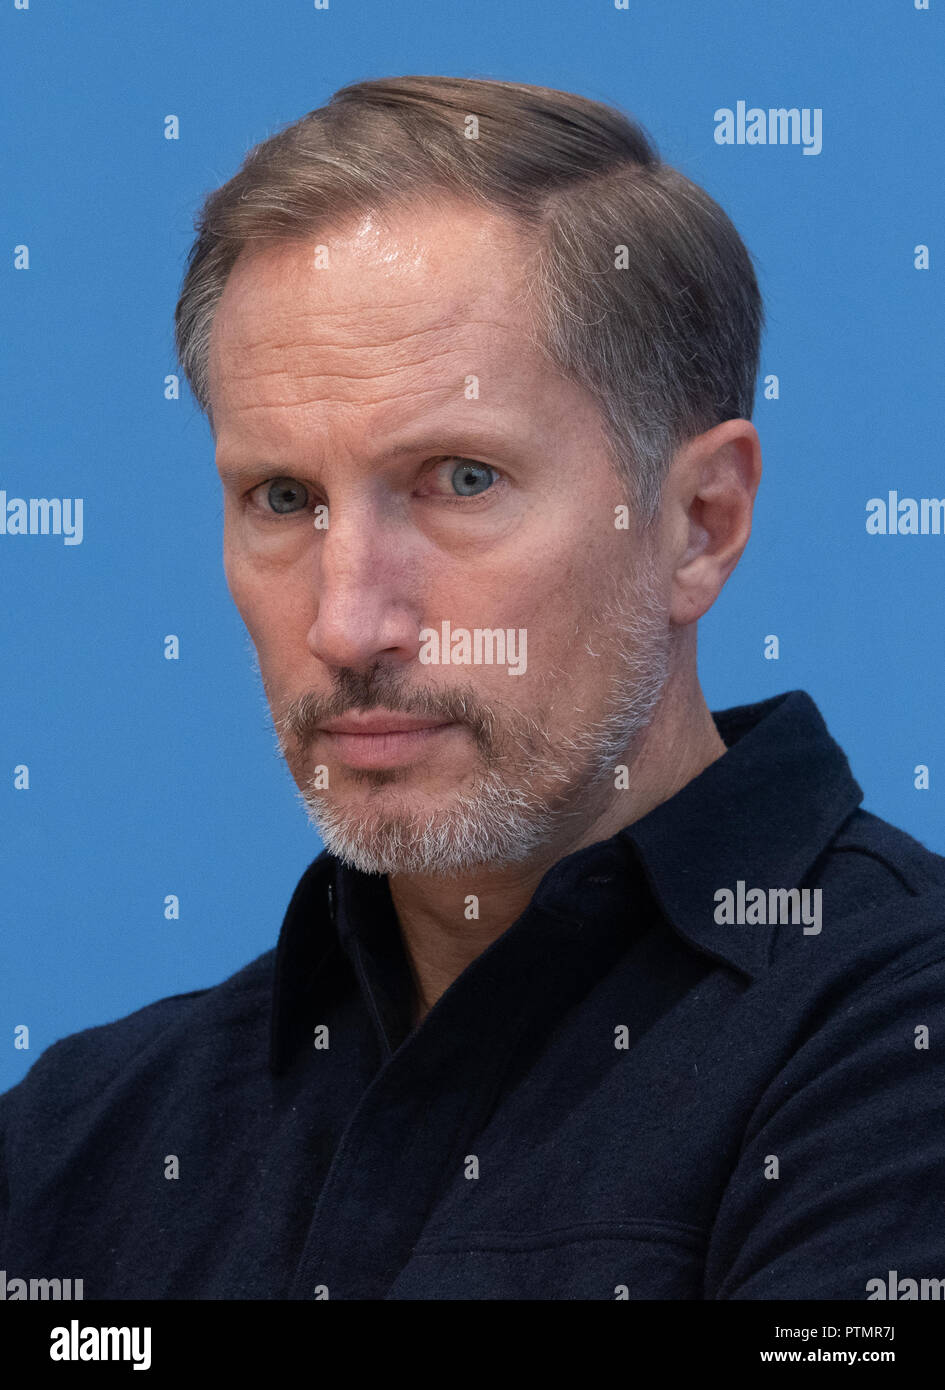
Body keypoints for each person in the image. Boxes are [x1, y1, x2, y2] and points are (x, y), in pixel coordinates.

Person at [2, 75, 944, 1301]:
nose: (348, 624)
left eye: (459, 480)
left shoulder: (898, 1046)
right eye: (284, 499)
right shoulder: (79, 1139)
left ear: (699, 523)